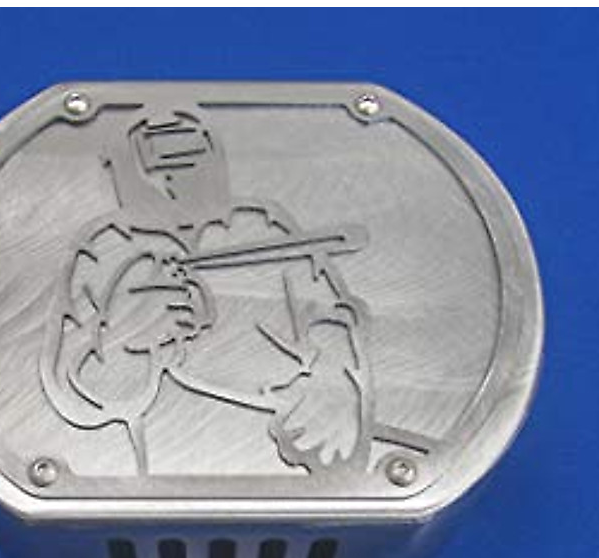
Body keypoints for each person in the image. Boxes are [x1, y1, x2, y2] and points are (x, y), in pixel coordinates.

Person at [41, 111, 372, 476]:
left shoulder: (261, 226)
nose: (171, 179)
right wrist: (130, 334)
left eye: (189, 156)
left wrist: (336, 391)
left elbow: (330, 322)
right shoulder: (106, 246)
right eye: (156, 164)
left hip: (290, 428)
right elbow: (79, 391)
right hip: (173, 453)